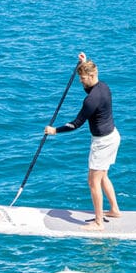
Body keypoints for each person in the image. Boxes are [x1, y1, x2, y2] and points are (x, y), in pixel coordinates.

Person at [45, 54, 122, 228]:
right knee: (103, 176)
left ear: (92, 75)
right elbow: (89, 89)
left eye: (83, 78)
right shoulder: (104, 87)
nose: (80, 81)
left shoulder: (91, 100)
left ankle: (98, 222)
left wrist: (55, 130)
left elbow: (76, 124)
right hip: (112, 136)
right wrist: (83, 63)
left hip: (102, 143)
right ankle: (115, 210)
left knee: (93, 182)